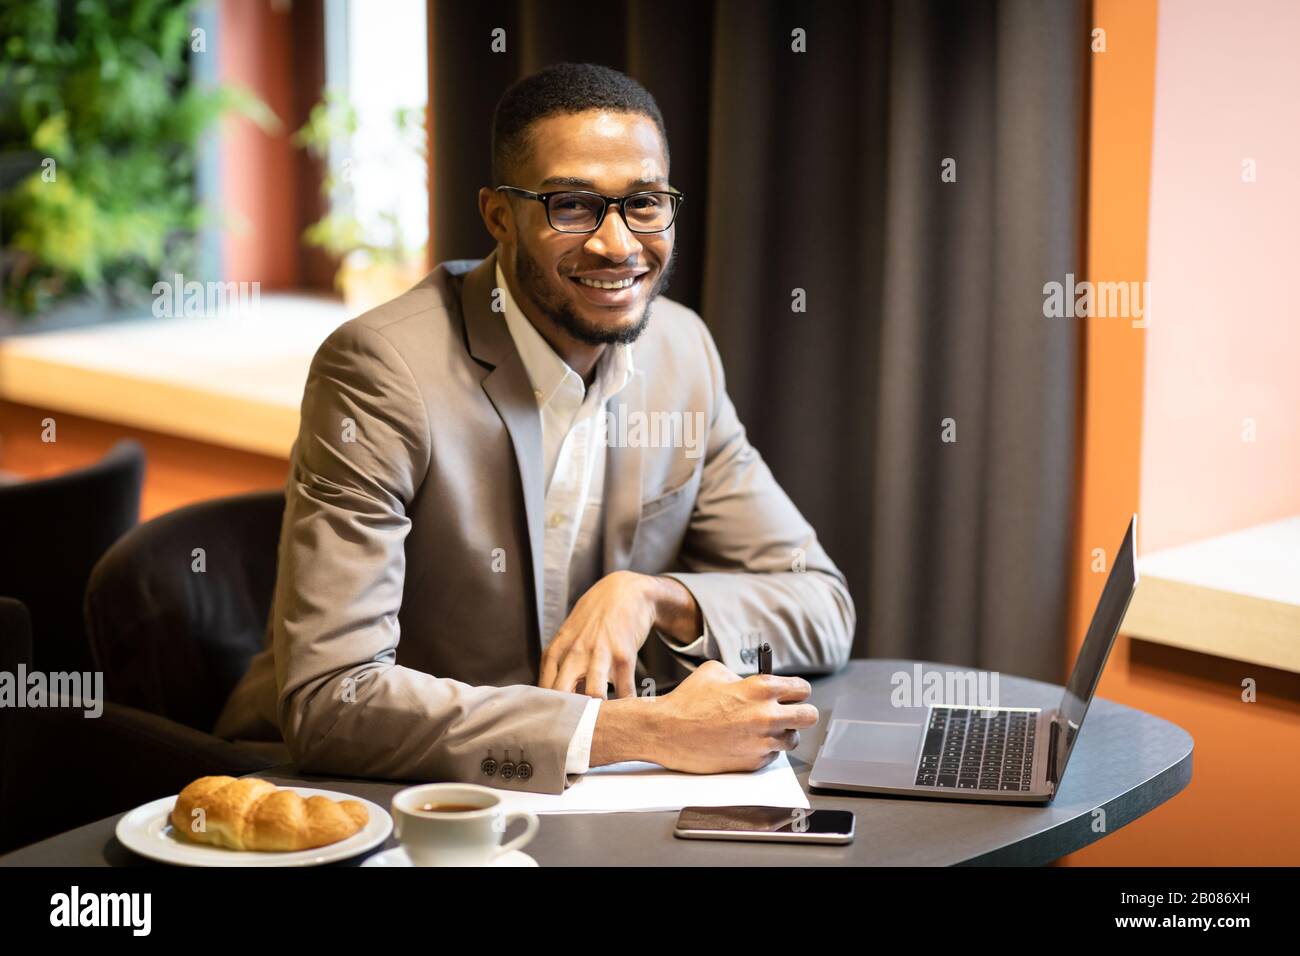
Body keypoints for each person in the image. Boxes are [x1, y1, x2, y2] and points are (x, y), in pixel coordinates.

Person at [215, 62, 855, 794]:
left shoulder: (682, 353)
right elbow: (331, 700)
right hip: (356, 795)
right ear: (497, 216)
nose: (618, 245)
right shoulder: (380, 371)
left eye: (644, 203)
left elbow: (822, 606)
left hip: (572, 804)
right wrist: (638, 732)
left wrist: (650, 595)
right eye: (572, 206)